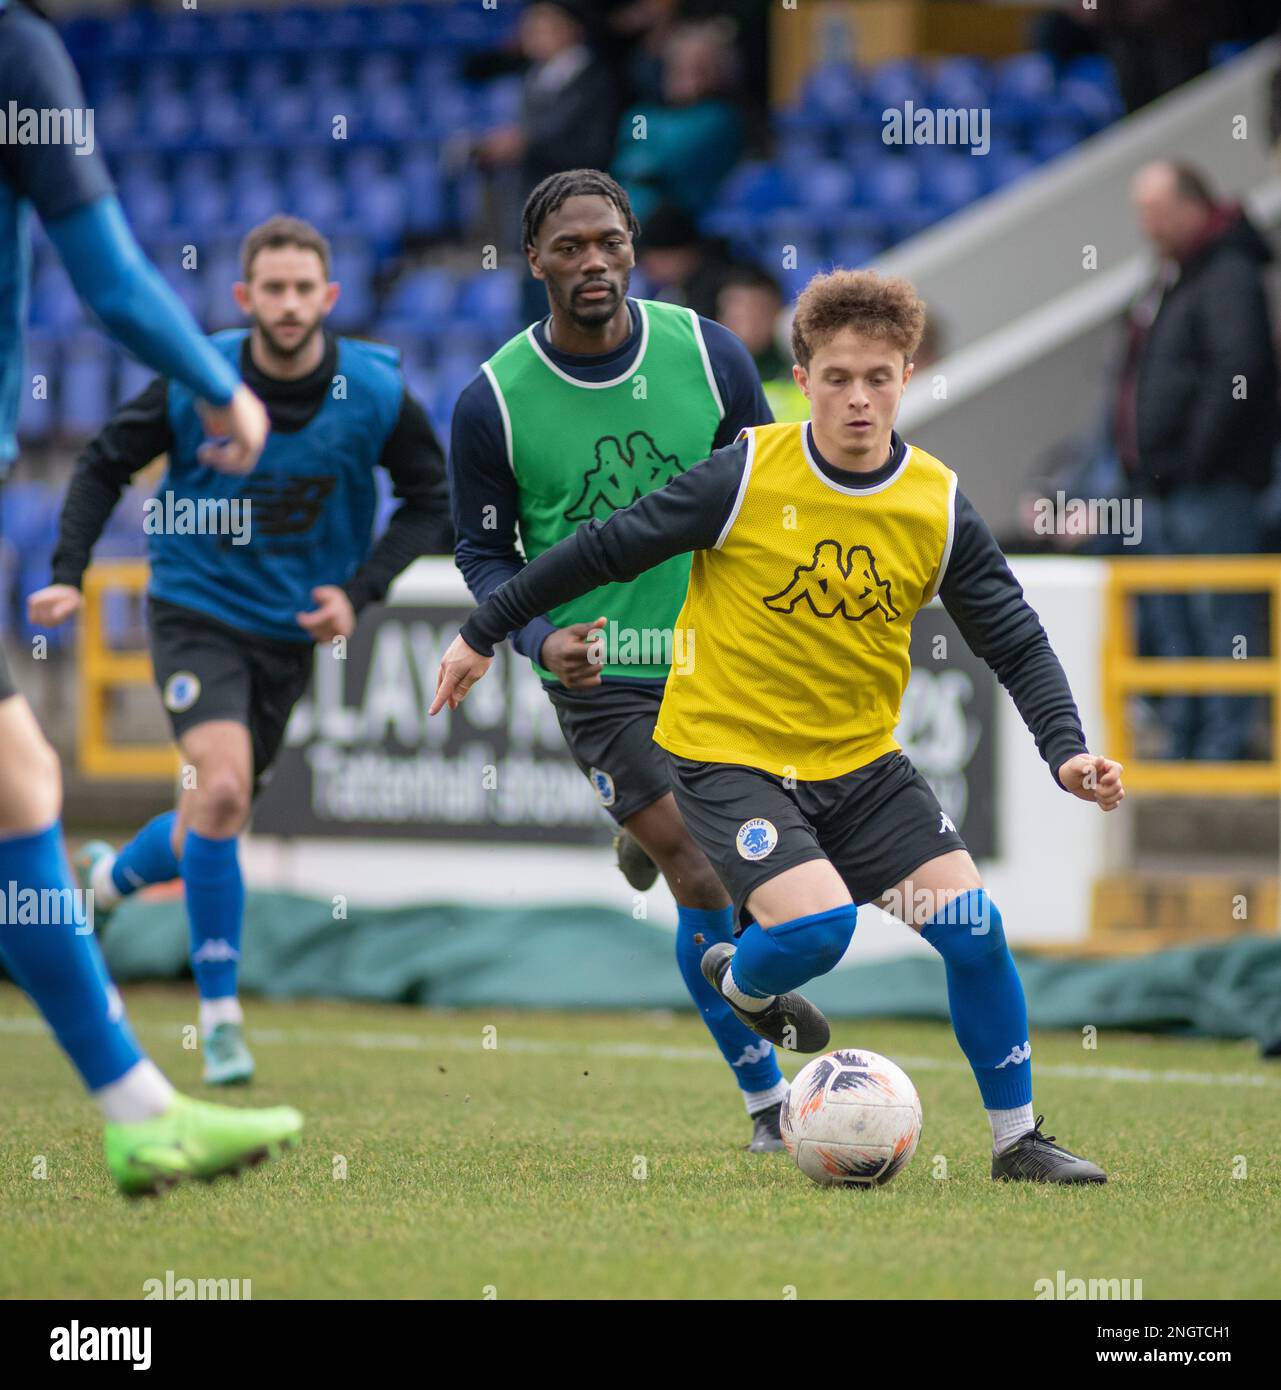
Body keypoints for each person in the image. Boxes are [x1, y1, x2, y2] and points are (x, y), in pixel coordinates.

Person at [436, 268, 1126, 1183]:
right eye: (837, 377)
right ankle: (746, 979)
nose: (857, 398)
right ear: (800, 377)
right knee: (819, 932)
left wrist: (1066, 748)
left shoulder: (933, 500)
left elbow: (1014, 638)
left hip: (862, 769)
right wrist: (486, 630)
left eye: (878, 378)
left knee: (972, 930)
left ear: (906, 376)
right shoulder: (747, 473)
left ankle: (1017, 1141)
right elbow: (601, 547)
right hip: (728, 758)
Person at [28, 215, 452, 1085]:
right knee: (219, 789)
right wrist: (69, 570)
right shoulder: (198, 376)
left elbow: (431, 499)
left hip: (287, 635)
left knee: (209, 819)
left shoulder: (371, 390)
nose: (290, 304)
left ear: (329, 297)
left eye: (305, 289)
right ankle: (219, 1019)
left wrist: (359, 590)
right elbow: (105, 461)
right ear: (244, 297)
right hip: (195, 607)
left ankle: (102, 887)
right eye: (274, 289)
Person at [0, 0, 303, 1194]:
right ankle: (139, 1112)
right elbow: (114, 281)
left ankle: (139, 1111)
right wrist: (223, 393)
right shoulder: (15, 47)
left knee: (19, 774)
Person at [447, 168, 792, 1151]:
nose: (593, 262)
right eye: (570, 248)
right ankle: (767, 1099)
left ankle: (643, 832)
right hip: (598, 674)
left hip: (719, 654)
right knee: (702, 864)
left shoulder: (711, 354)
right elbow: (482, 550)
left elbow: (766, 497)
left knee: (748, 857)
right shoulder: (495, 401)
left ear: (634, 247)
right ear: (534, 261)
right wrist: (534, 634)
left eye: (609, 242)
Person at [1119, 161, 1280, 760]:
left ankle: (1224, 749)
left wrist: (1193, 459)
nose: (1148, 227)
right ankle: (1186, 743)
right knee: (1175, 619)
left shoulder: (1227, 274)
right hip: (1166, 488)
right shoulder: (1174, 275)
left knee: (1221, 616)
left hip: (1211, 489)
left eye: (1157, 213)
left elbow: (1240, 371)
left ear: (1191, 206)